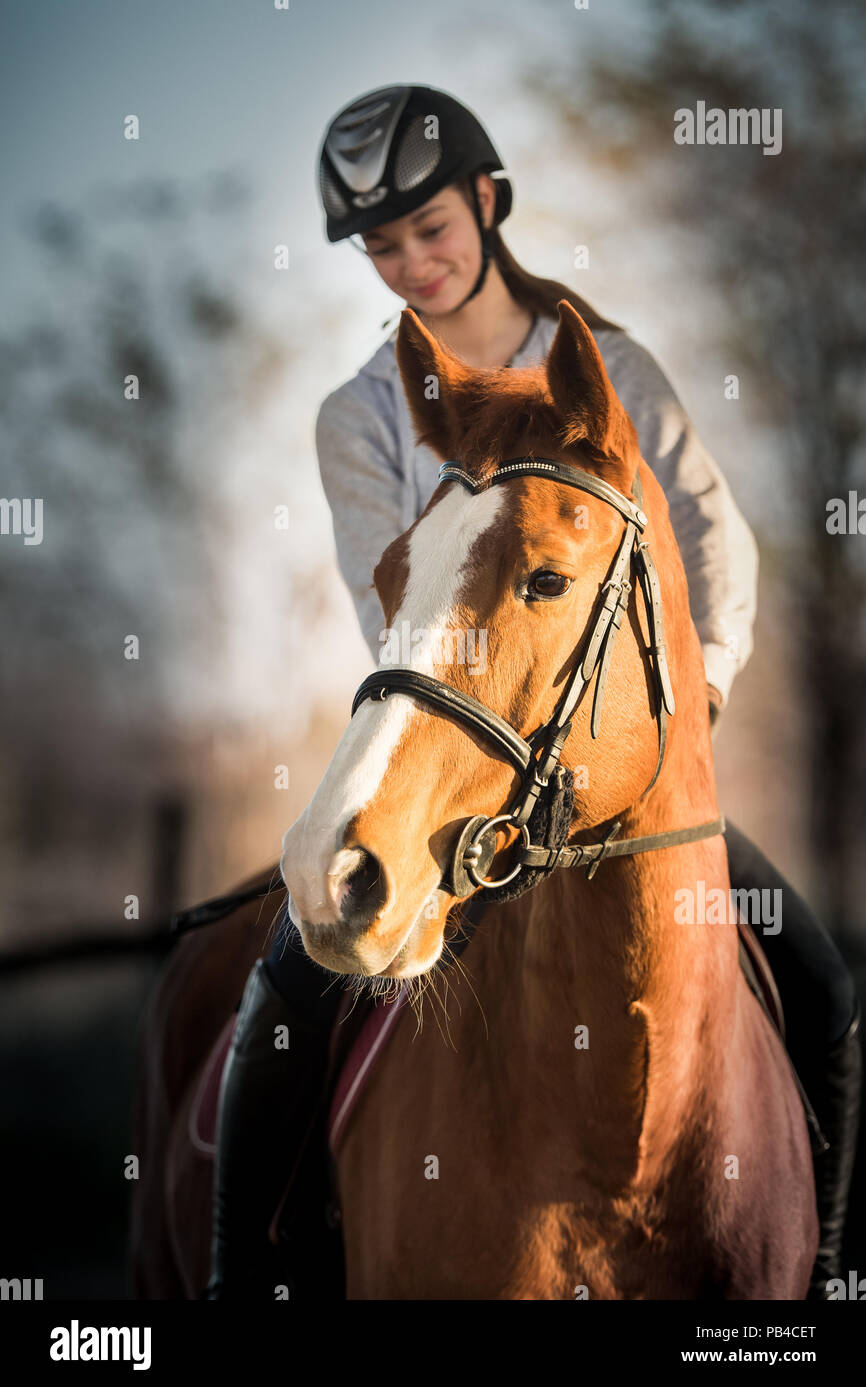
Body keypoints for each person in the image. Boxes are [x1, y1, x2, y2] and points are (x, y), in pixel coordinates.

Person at [206, 84, 860, 1301]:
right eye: (382, 246)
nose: (411, 263)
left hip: (621, 755)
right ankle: (237, 1284)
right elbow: (387, 598)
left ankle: (817, 1283)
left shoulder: (610, 368)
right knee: (287, 986)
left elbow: (715, 543)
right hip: (462, 758)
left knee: (818, 985)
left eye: (430, 229)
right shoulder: (359, 415)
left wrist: (691, 705)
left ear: (488, 203)